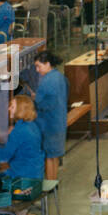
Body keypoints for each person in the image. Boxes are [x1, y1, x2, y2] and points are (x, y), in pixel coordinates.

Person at [0, 95, 45, 179]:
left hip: (23, 178)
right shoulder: (32, 125)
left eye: (12, 107)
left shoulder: (18, 131)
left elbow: (3, 157)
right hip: (36, 174)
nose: (9, 109)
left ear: (20, 110)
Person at [32, 50, 68, 180]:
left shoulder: (46, 81)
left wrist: (34, 99)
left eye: (38, 66)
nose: (37, 70)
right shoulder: (58, 76)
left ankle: (49, 185)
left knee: (49, 156)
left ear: (47, 64)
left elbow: (43, 104)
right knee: (54, 156)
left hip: (49, 124)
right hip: (59, 120)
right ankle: (54, 182)